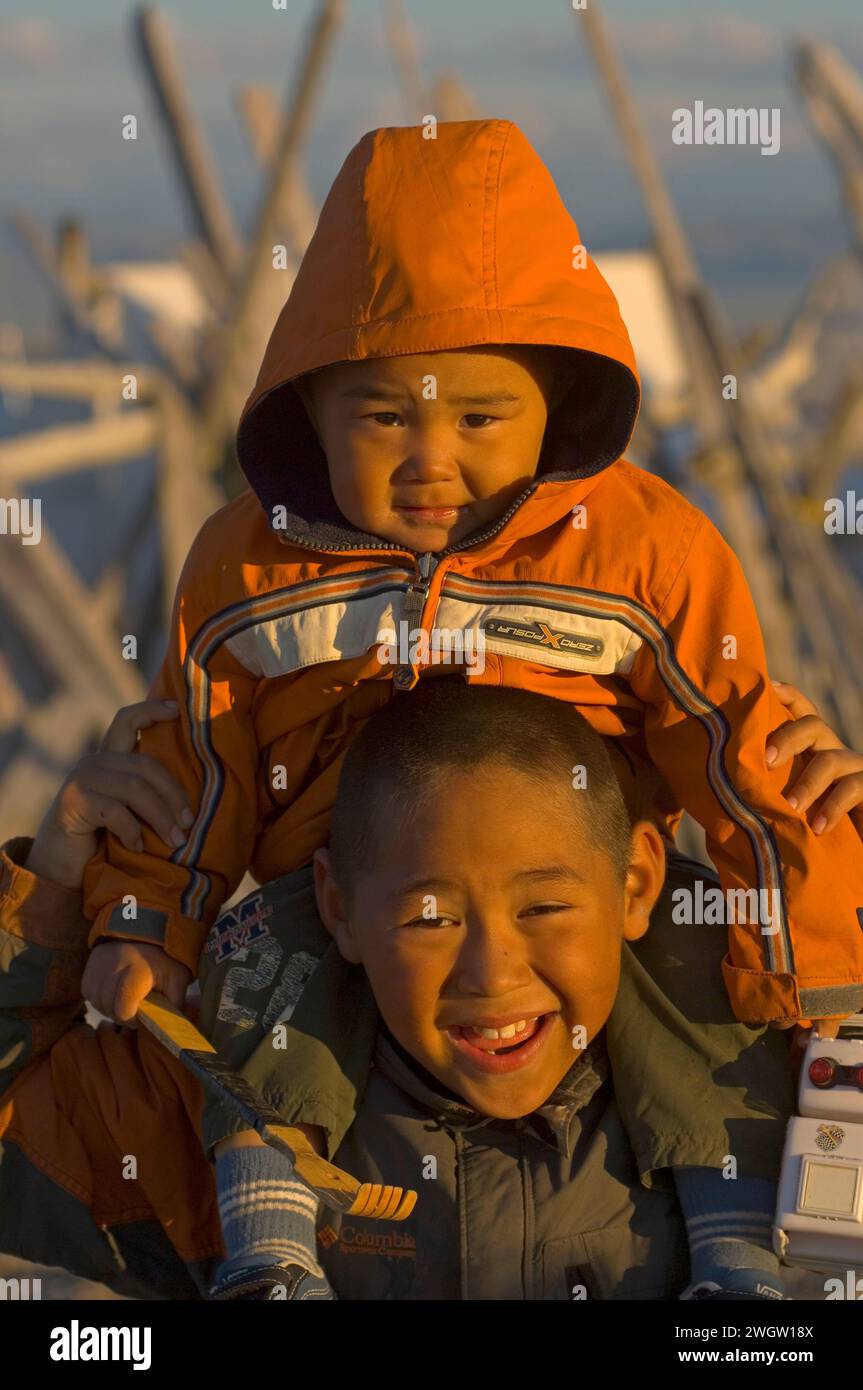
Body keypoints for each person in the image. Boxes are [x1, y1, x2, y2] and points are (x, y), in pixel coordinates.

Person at [72, 120, 863, 1289]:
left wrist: (820, 965)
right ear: (310, 408)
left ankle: (738, 1253)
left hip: (584, 879)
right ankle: (273, 1250)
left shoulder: (639, 549)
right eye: (383, 417)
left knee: (706, 982)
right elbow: (195, 764)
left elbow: (737, 749)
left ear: (558, 402)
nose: (431, 460)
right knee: (253, 995)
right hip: (344, 884)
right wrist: (144, 921)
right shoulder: (250, 565)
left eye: (478, 419)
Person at [5, 681, 852, 1300]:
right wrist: (51, 884)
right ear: (336, 906)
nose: (492, 972)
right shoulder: (218, 1116)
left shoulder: (772, 1097)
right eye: (430, 918)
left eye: (545, 907)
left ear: (635, 883)